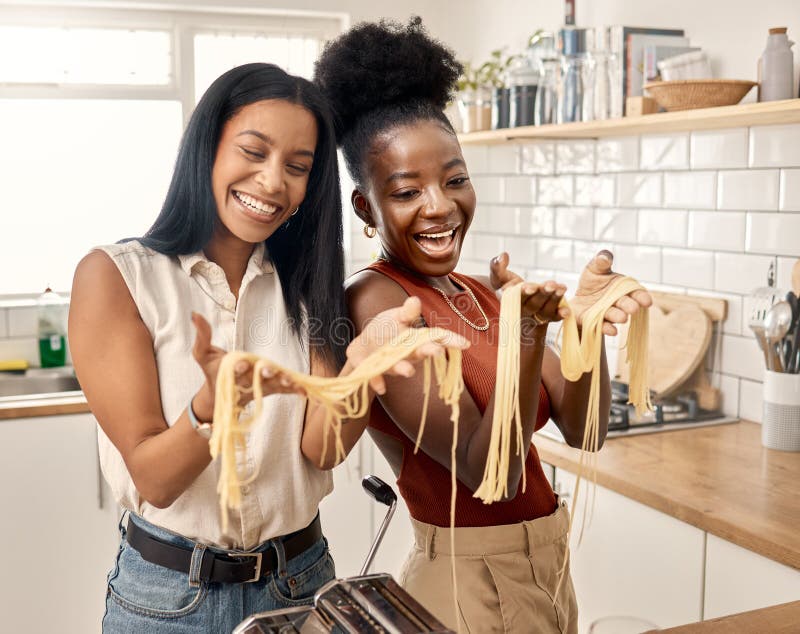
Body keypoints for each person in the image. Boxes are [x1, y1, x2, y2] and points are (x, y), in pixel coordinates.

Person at [68, 62, 466, 634]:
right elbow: (155, 478)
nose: (273, 181)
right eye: (253, 152)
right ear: (207, 147)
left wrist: (362, 368)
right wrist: (214, 407)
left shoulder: (310, 285)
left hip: (301, 582)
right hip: (169, 600)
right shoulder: (119, 277)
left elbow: (323, 447)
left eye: (297, 167)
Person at [314, 19, 652, 634]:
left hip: (546, 571)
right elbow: (487, 472)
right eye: (406, 191)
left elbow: (587, 428)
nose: (440, 206)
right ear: (366, 207)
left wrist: (586, 322)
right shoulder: (376, 302)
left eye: (455, 180)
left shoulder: (478, 293)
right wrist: (528, 336)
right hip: (467, 590)